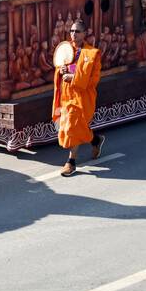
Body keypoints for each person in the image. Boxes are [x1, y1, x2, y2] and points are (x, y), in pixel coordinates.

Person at [52, 21, 106, 177]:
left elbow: (93, 80)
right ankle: (95, 139)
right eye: (71, 31)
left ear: (84, 34)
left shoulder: (92, 54)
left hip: (82, 96)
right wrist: (61, 71)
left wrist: (74, 78)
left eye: (77, 31)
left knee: (72, 126)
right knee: (74, 126)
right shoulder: (65, 50)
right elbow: (58, 69)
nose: (73, 34)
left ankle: (71, 162)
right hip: (66, 95)